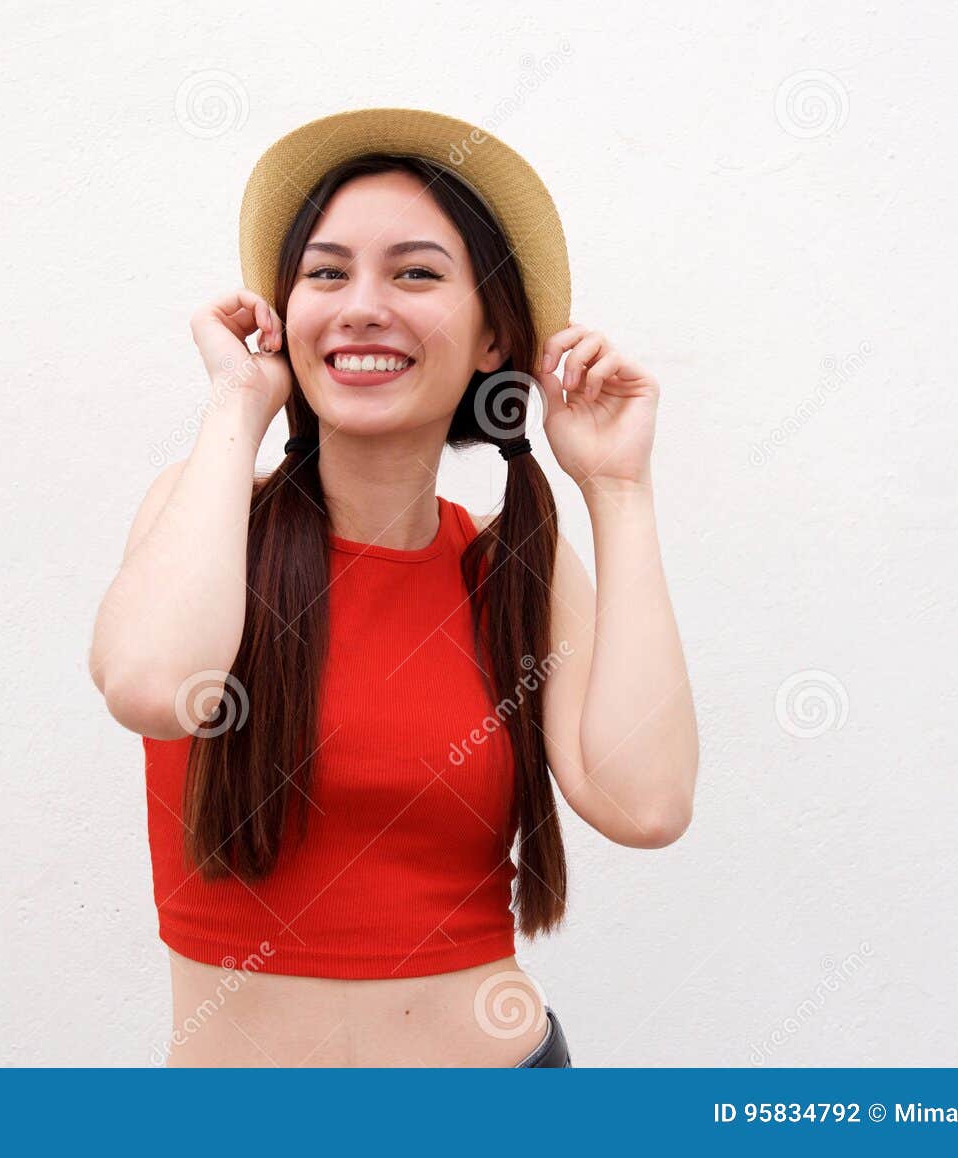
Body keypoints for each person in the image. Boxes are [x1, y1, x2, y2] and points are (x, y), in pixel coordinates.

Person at [89, 107, 698, 1067]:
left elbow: (647, 805)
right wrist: (238, 404)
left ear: (495, 335)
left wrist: (618, 489)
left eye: (414, 273)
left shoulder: (512, 570)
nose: (362, 305)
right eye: (326, 274)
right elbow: (153, 688)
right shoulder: (207, 511)